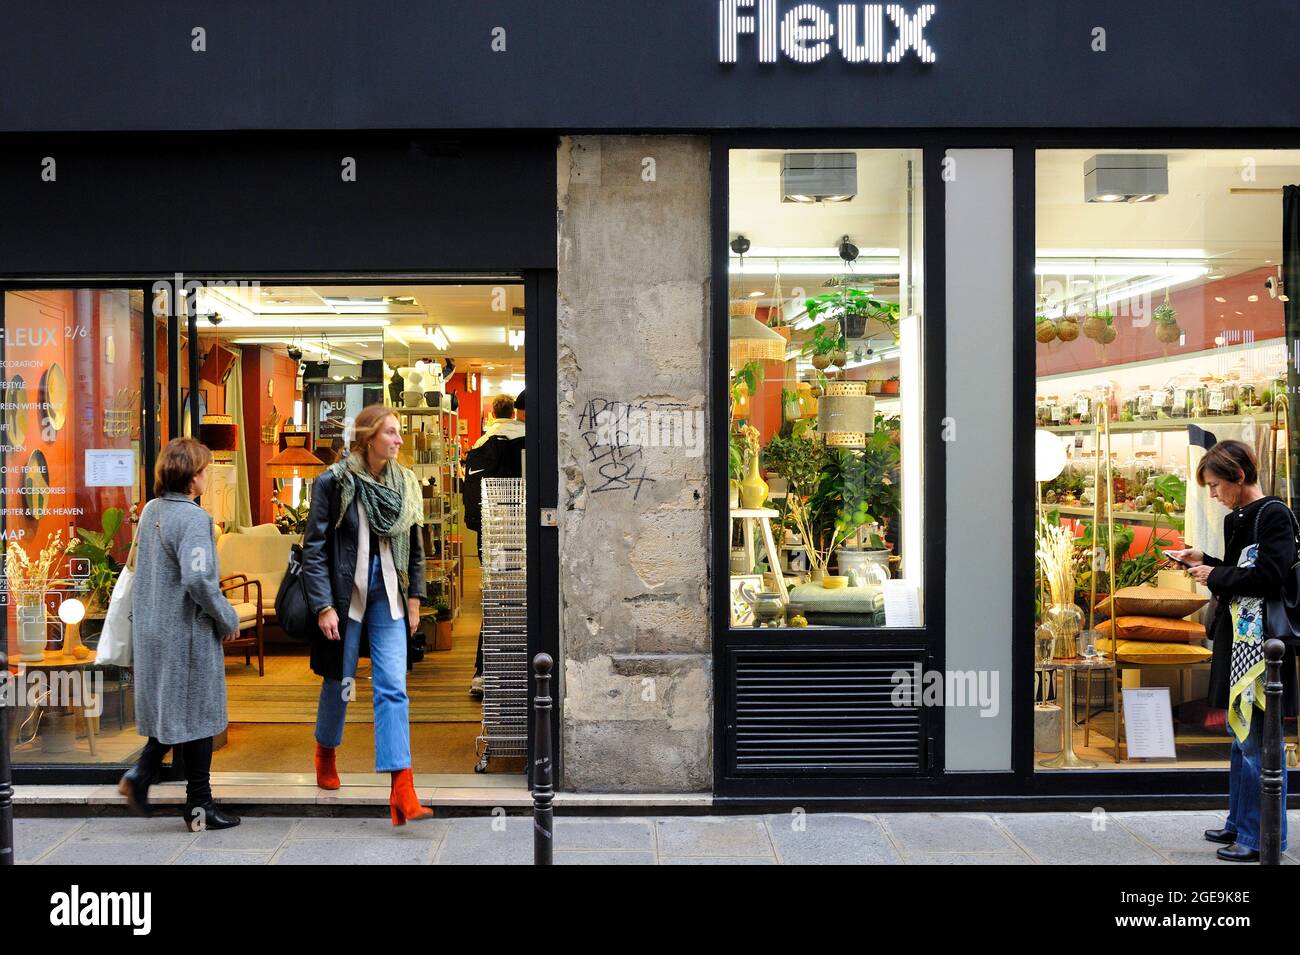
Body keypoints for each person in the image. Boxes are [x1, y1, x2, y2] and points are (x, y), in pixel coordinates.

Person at [301, 404, 433, 825]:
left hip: (388, 597)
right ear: (369, 437)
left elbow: (415, 546)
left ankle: (402, 787)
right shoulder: (334, 482)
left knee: (393, 685)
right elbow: (314, 548)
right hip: (344, 597)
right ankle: (326, 751)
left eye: (397, 433)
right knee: (340, 682)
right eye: (391, 433)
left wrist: (415, 599)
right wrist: (322, 605)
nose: (398, 440)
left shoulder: (405, 483)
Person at [1166, 439, 1296, 862]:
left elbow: (1269, 576)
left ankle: (1262, 837)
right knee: (1239, 736)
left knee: (1257, 739)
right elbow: (1241, 567)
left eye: (1217, 485)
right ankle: (1240, 822)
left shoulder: (1273, 514)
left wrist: (1215, 573)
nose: (1213, 495)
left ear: (1239, 477)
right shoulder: (1241, 517)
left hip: (1261, 645)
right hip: (1238, 637)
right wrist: (1203, 559)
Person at [117, 438, 244, 831]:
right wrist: (226, 617)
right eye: (205, 469)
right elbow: (199, 578)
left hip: (155, 628)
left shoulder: (152, 510)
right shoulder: (192, 519)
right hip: (186, 632)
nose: (208, 475)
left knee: (176, 713)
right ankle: (199, 804)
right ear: (192, 477)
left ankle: (144, 774)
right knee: (201, 717)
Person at [463, 393, 525, 698]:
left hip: (491, 536)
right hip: (524, 534)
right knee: (525, 599)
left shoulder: (480, 444)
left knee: (495, 598)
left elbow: (471, 494)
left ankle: (484, 671)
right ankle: (523, 670)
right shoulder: (529, 440)